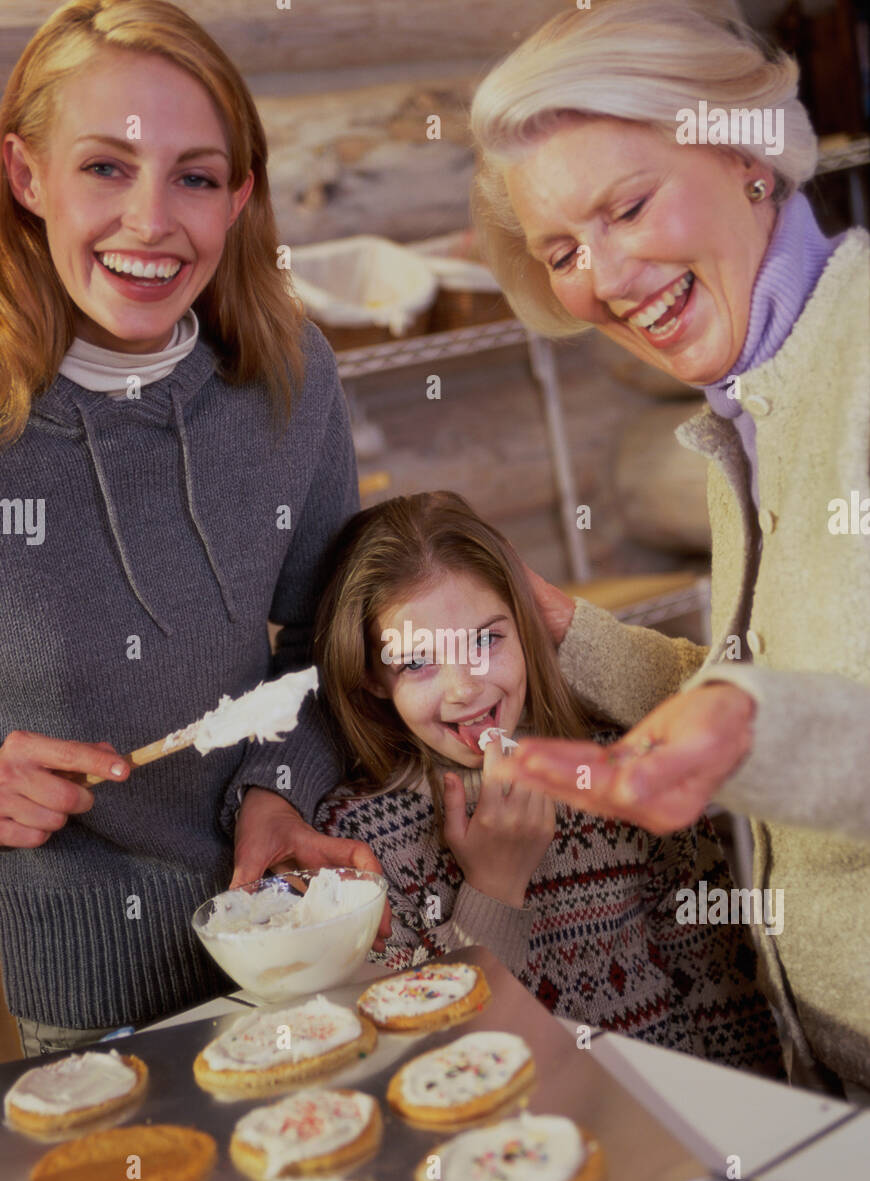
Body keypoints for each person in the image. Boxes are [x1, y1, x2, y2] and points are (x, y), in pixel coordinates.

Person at [468, 0, 870, 1097]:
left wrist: (749, 723)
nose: (599, 276)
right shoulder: (753, 397)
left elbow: (775, 719)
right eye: (561, 248)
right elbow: (800, 691)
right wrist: (571, 636)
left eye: (627, 206)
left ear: (746, 149)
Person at [0, 0, 389, 1057]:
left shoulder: (292, 379)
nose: (151, 222)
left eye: (196, 176)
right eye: (105, 169)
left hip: (289, 941)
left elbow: (322, 649)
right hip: (81, 992)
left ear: (240, 197)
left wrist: (276, 789)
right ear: (26, 176)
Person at [311, 490, 783, 1075]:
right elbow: (429, 1062)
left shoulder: (621, 771)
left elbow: (728, 1003)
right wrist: (493, 888)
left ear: (524, 623)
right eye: (417, 661)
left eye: (486, 640)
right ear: (372, 676)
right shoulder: (356, 840)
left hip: (676, 1129)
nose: (466, 687)